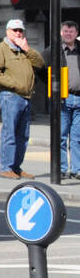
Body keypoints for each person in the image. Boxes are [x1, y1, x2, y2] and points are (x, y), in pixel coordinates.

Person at [0, 19, 44, 179]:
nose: (18, 33)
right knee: (10, 133)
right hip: (10, 96)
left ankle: (16, 167)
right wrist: (15, 84)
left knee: (23, 135)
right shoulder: (1, 49)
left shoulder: (23, 50)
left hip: (25, 96)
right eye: (15, 30)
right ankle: (6, 167)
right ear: (7, 31)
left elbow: (40, 63)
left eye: (20, 30)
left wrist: (27, 49)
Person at [44, 20, 80, 180]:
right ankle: (62, 169)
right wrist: (51, 85)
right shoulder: (54, 50)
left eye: (71, 31)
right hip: (62, 99)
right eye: (65, 31)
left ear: (76, 34)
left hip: (79, 98)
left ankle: (76, 170)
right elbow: (40, 66)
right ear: (61, 33)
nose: (68, 34)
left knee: (77, 137)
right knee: (60, 136)